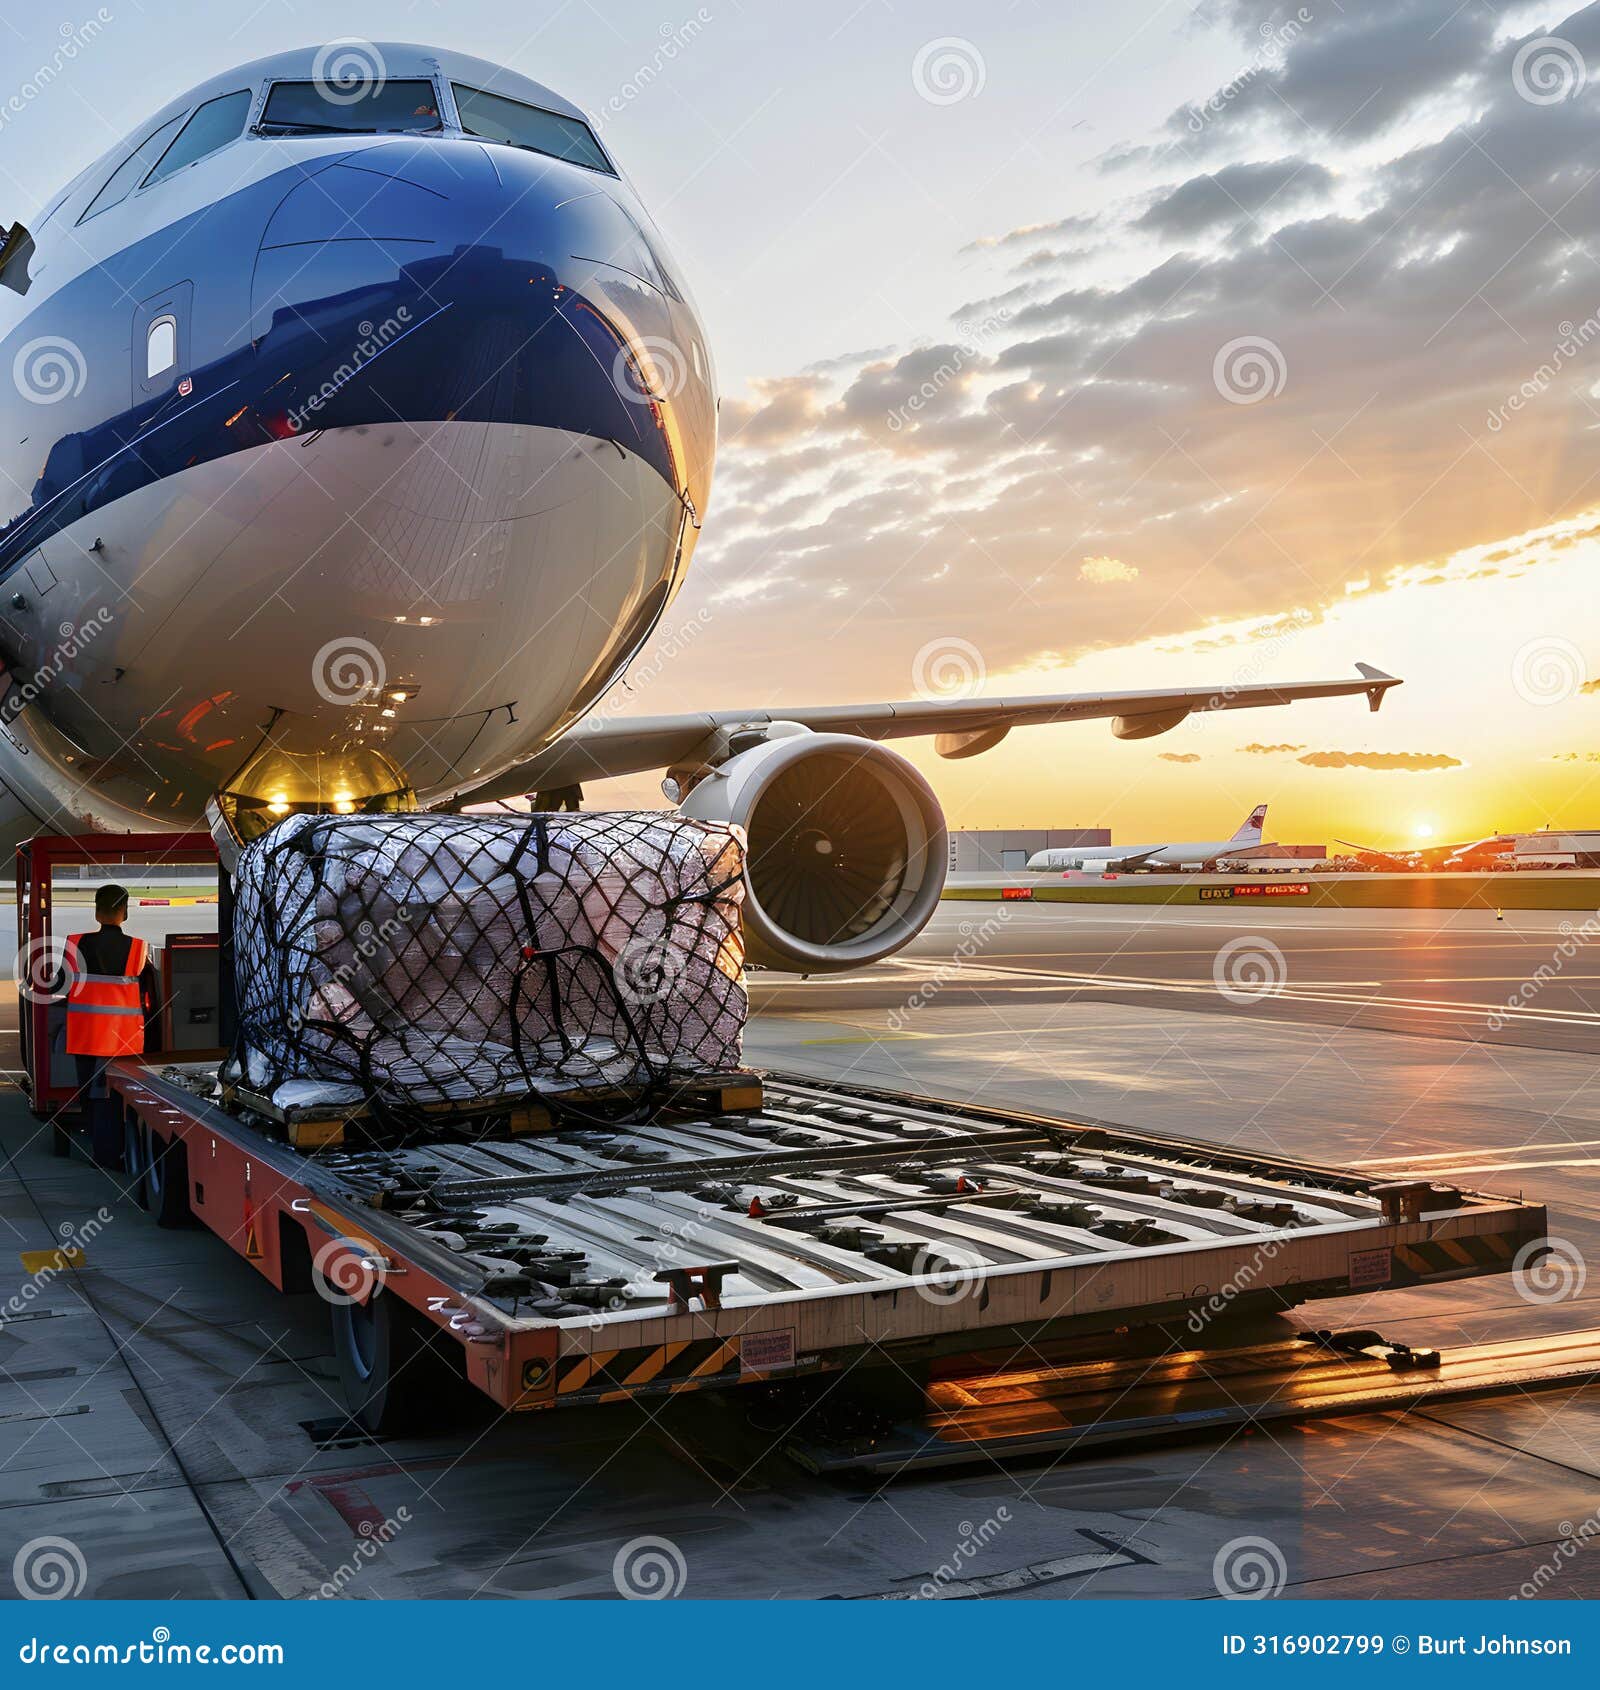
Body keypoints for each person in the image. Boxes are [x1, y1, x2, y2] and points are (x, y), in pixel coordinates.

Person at [60, 884, 160, 1168]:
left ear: (96, 911)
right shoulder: (138, 949)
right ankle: (113, 1152)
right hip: (124, 1040)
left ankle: (101, 1148)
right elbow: (150, 996)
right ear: (124, 912)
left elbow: (58, 985)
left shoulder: (75, 944)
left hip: (85, 1038)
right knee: (115, 1098)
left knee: (91, 1095)